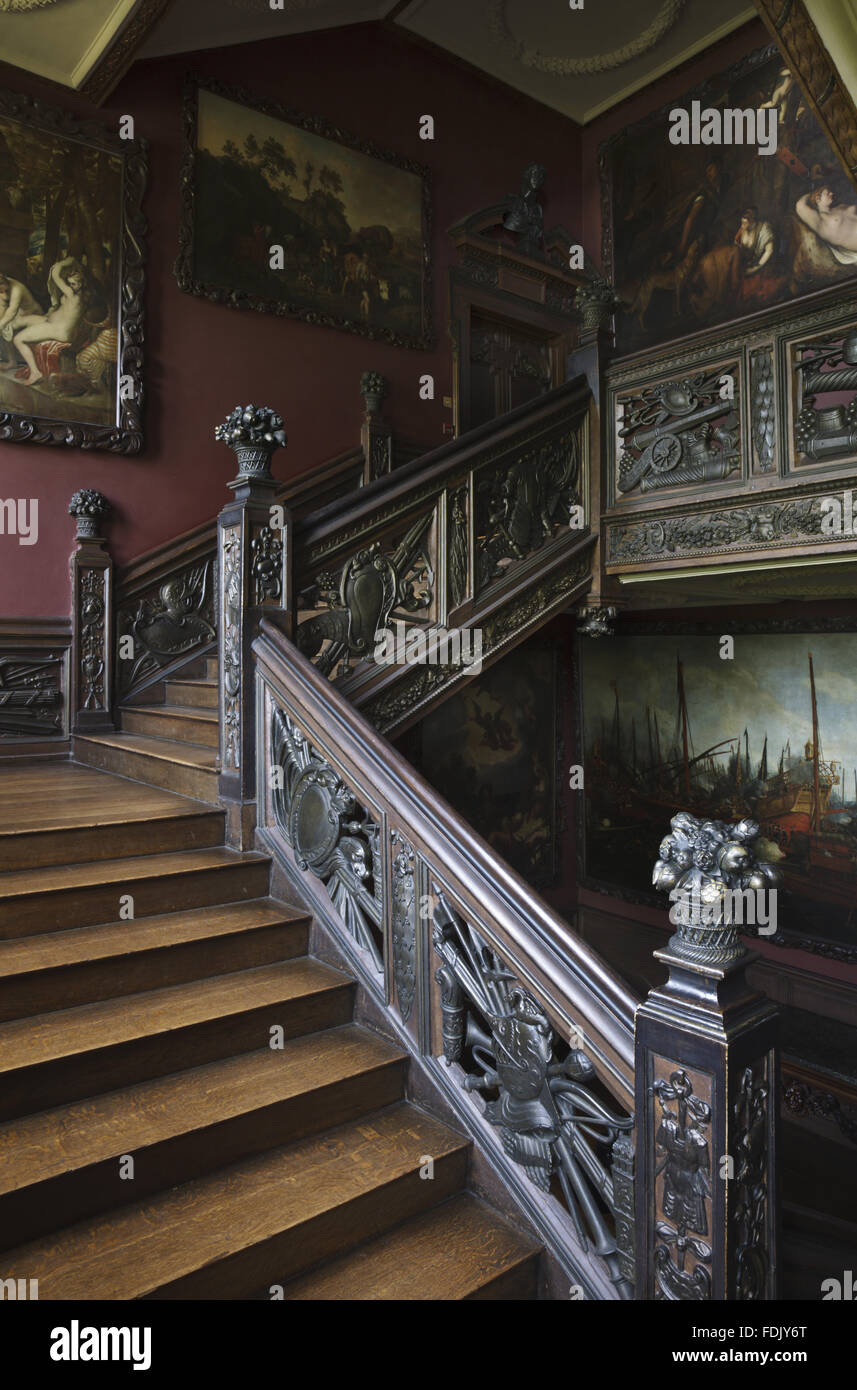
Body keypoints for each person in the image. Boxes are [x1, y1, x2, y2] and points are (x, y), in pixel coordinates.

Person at [7, 257, 88, 386]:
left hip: (59, 330)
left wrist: (69, 261)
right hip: (52, 322)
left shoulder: (74, 296)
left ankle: (35, 373)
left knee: (18, 339)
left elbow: (55, 273)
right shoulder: (75, 294)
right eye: (70, 283)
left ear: (82, 284)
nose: (71, 287)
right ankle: (12, 360)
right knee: (19, 321)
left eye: (75, 284)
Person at [796, 185, 857, 264]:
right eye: (828, 193)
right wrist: (813, 192)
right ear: (817, 198)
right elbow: (800, 205)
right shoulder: (821, 221)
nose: (831, 193)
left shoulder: (840, 207)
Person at [0, 273, 44, 366]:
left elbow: (12, 311)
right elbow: (3, 307)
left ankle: (35, 365)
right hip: (18, 316)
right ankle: (12, 361)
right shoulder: (3, 286)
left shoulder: (17, 289)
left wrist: (1, 324)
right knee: (5, 329)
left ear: (3, 283)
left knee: (6, 327)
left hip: (33, 314)